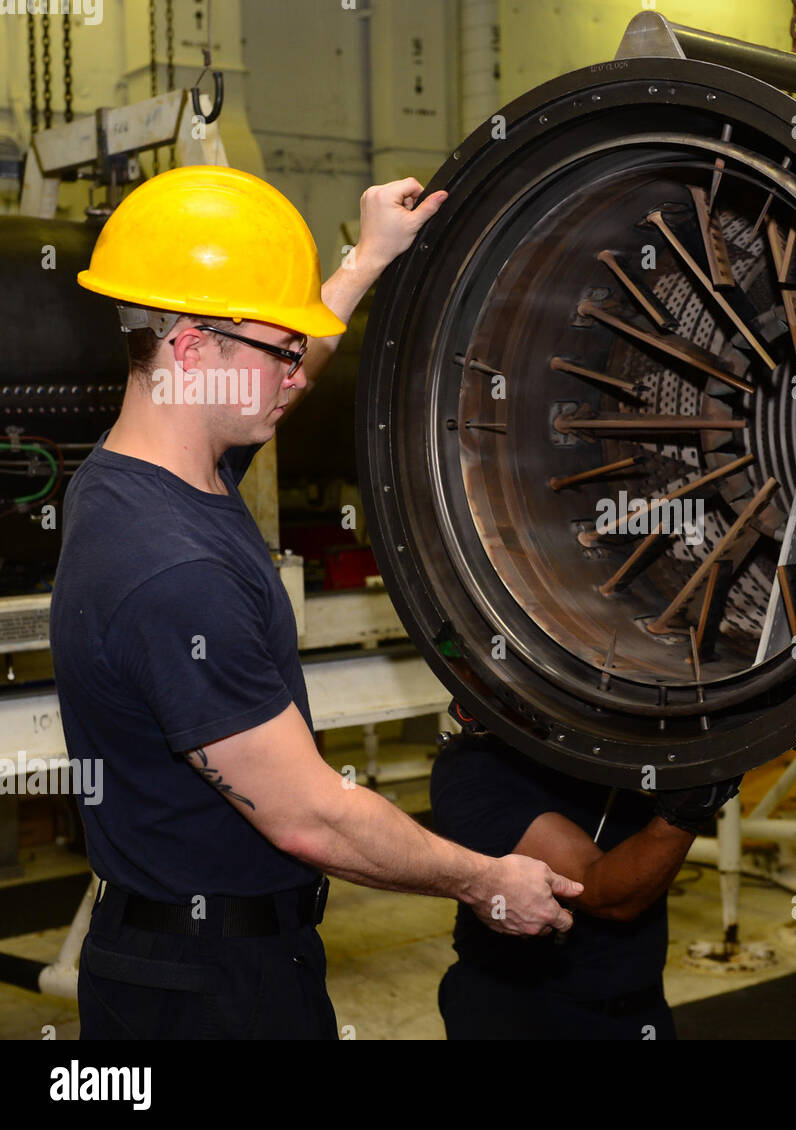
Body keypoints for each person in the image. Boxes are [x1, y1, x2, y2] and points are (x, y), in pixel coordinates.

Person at [50, 165, 581, 1041]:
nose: (298, 376)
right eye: (280, 352)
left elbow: (272, 368)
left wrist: (364, 258)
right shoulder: (171, 572)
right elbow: (312, 817)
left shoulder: (141, 475)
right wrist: (484, 878)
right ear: (190, 348)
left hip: (181, 960)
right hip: (210, 994)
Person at [429, 702, 740, 1040]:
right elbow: (603, 893)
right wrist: (691, 808)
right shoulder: (472, 772)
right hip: (525, 1013)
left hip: (635, 1006)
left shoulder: (611, 741)